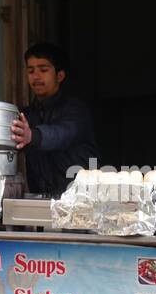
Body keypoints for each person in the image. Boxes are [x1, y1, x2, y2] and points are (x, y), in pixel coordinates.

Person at [11, 41, 99, 197]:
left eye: (43, 70)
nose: (36, 76)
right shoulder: (25, 115)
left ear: (60, 75)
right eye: (31, 71)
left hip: (80, 200)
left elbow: (61, 134)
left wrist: (32, 136)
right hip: (42, 202)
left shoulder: (77, 110)